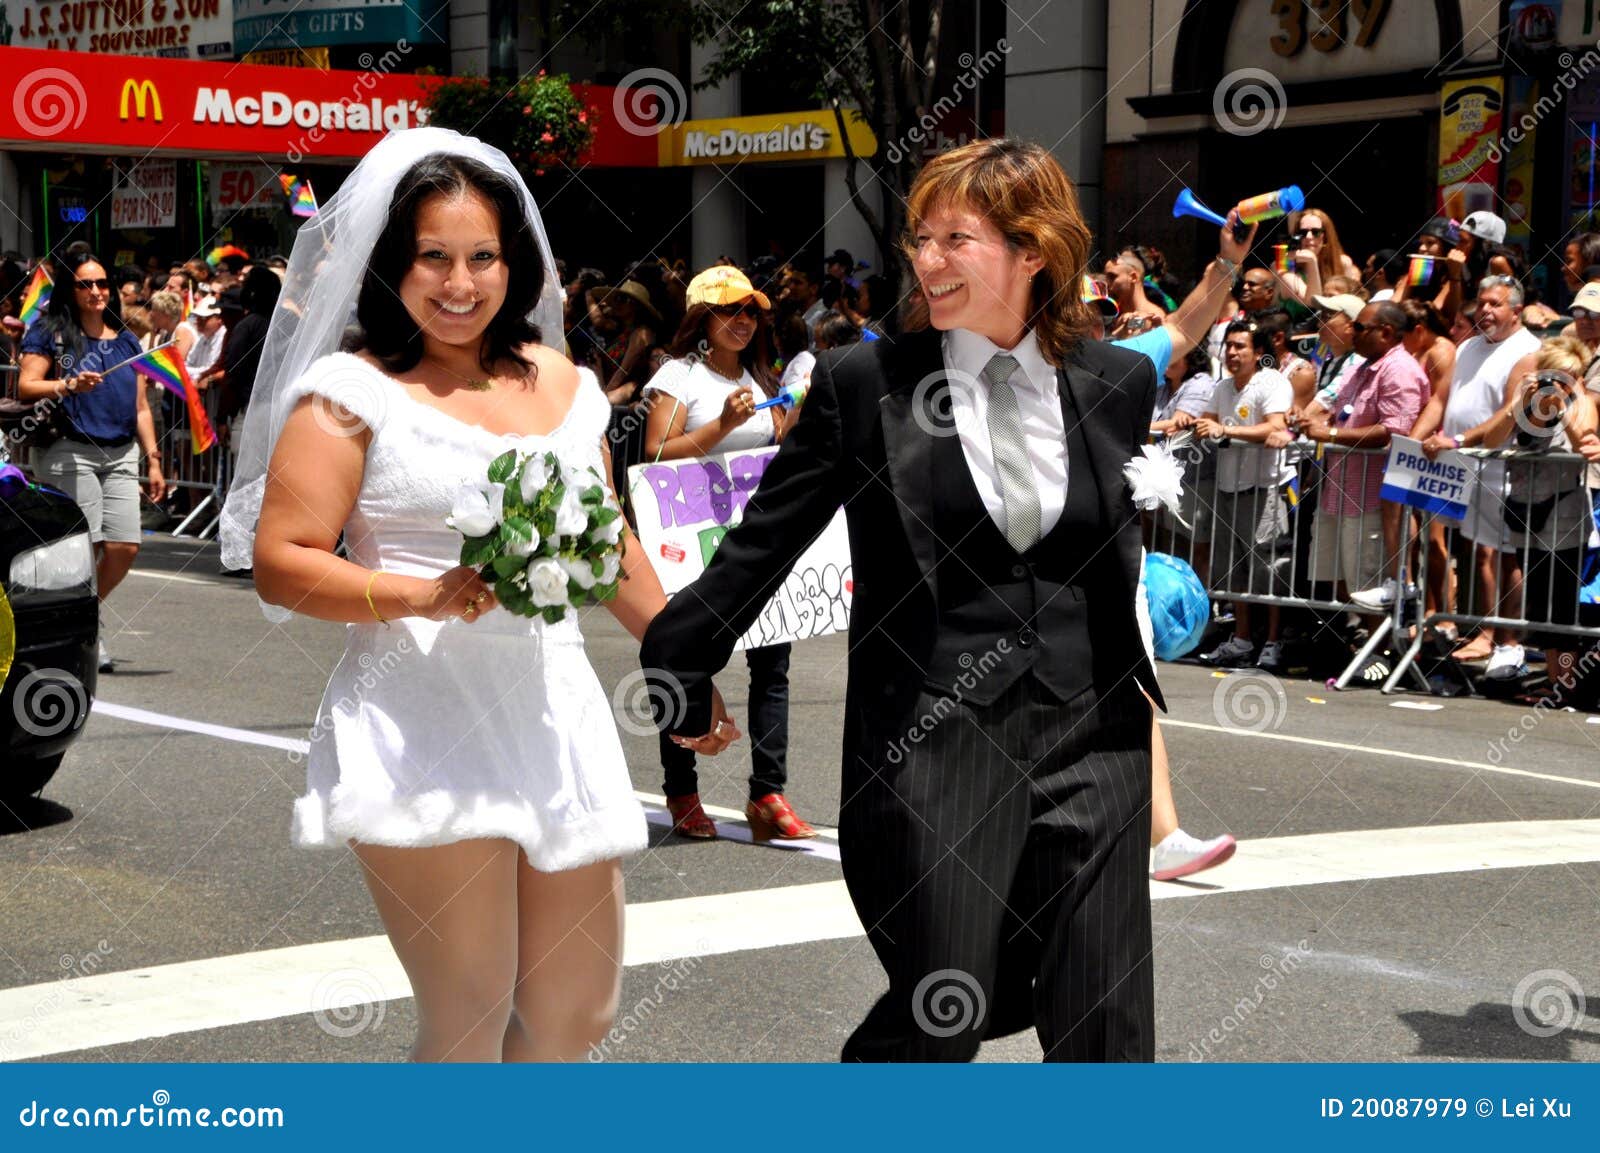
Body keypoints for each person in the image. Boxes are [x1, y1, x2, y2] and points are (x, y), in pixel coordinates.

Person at [221, 129, 736, 1063]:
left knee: (577, 1009)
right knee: (469, 1009)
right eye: (434, 257)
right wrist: (416, 594)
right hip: (419, 718)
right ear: (394, 265)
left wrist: (680, 660)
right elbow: (282, 559)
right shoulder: (349, 392)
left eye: (483, 257)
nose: (459, 283)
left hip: (553, 712)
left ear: (516, 263)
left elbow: (607, 539)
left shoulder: (569, 387)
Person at [644, 138, 1163, 1061]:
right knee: (943, 1005)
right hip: (935, 738)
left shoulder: (1117, 382)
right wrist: (679, 656)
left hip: (1095, 735)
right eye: (920, 238)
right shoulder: (865, 385)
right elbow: (764, 543)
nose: (927, 260)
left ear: (1032, 249)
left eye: (956, 238)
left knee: (1105, 1017)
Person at [639, 265, 813, 842]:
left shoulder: (763, 377)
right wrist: (722, 424)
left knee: (772, 664)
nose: (743, 322)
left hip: (756, 539)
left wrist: (790, 426)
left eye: (752, 312)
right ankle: (681, 792)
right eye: (730, 311)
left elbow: (775, 454)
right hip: (692, 546)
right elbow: (658, 453)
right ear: (702, 320)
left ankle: (768, 791)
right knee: (684, 660)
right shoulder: (677, 375)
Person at [15, 251, 168, 672]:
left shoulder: (124, 337)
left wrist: (153, 459)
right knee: (87, 546)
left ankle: (77, 618)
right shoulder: (51, 331)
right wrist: (67, 383)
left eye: (102, 283)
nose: (97, 291)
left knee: (124, 546)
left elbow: (139, 406)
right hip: (70, 449)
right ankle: (84, 631)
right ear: (71, 289)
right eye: (86, 284)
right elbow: (27, 386)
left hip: (121, 452)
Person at [1451, 335, 1598, 697]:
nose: (1554, 380)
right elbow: (1493, 440)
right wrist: (1520, 402)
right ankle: (1554, 680)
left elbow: (1584, 441)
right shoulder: (1529, 399)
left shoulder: (1582, 401)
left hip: (1563, 514)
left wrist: (1567, 398)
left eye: (1564, 373)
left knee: (1560, 606)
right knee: (1539, 603)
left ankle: (1564, 685)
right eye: (1551, 372)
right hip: (1526, 512)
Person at [1416, 276, 1543, 673]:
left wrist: (1457, 440)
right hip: (1460, 462)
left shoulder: (1527, 350)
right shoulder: (1468, 345)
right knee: (1475, 550)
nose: (1485, 310)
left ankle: (1503, 639)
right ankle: (1482, 631)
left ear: (1516, 312)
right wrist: (1414, 439)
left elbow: (1509, 413)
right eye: (1482, 303)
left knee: (1501, 553)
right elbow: (1440, 399)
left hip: (1500, 464)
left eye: (1496, 304)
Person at [1300, 302, 1428, 681]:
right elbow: (1336, 411)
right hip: (1339, 489)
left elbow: (1395, 431)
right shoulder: (1360, 366)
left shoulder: (1400, 370)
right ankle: (1362, 646)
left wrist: (1333, 435)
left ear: (1386, 332)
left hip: (1371, 496)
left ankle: (1381, 654)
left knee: (1368, 580)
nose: (1352, 331)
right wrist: (1312, 421)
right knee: (1341, 578)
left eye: (1360, 326)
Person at [1196, 320, 1294, 669]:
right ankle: (1241, 639)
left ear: (1259, 354)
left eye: (1241, 346)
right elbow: (1204, 420)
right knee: (1235, 568)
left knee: (1267, 569)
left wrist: (1224, 429)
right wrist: (1191, 424)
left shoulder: (1272, 382)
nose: (1233, 353)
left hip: (1264, 488)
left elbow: (1276, 426)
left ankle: (1272, 641)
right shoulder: (1222, 387)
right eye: (1229, 346)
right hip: (1228, 487)